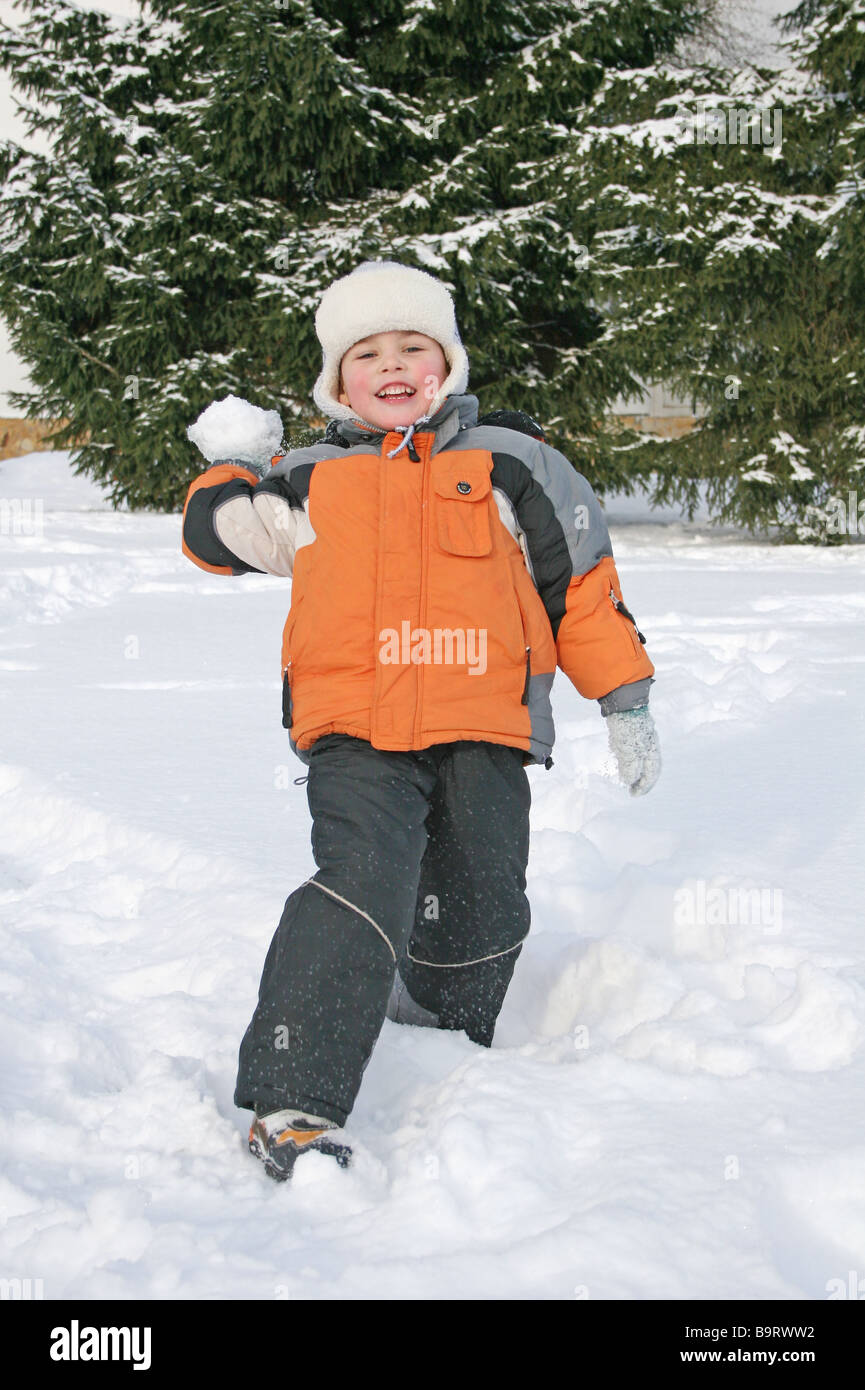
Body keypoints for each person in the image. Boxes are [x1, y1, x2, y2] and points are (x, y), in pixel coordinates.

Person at [181, 259, 661, 1181]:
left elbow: (583, 588)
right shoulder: (310, 479)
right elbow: (217, 538)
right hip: (353, 724)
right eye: (368, 353)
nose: (393, 366)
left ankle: (440, 1031)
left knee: (485, 892)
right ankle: (294, 1097)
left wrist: (623, 699)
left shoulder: (514, 462)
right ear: (337, 380)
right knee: (361, 881)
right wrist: (234, 461)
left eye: (415, 347)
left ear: (448, 362)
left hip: (485, 721)